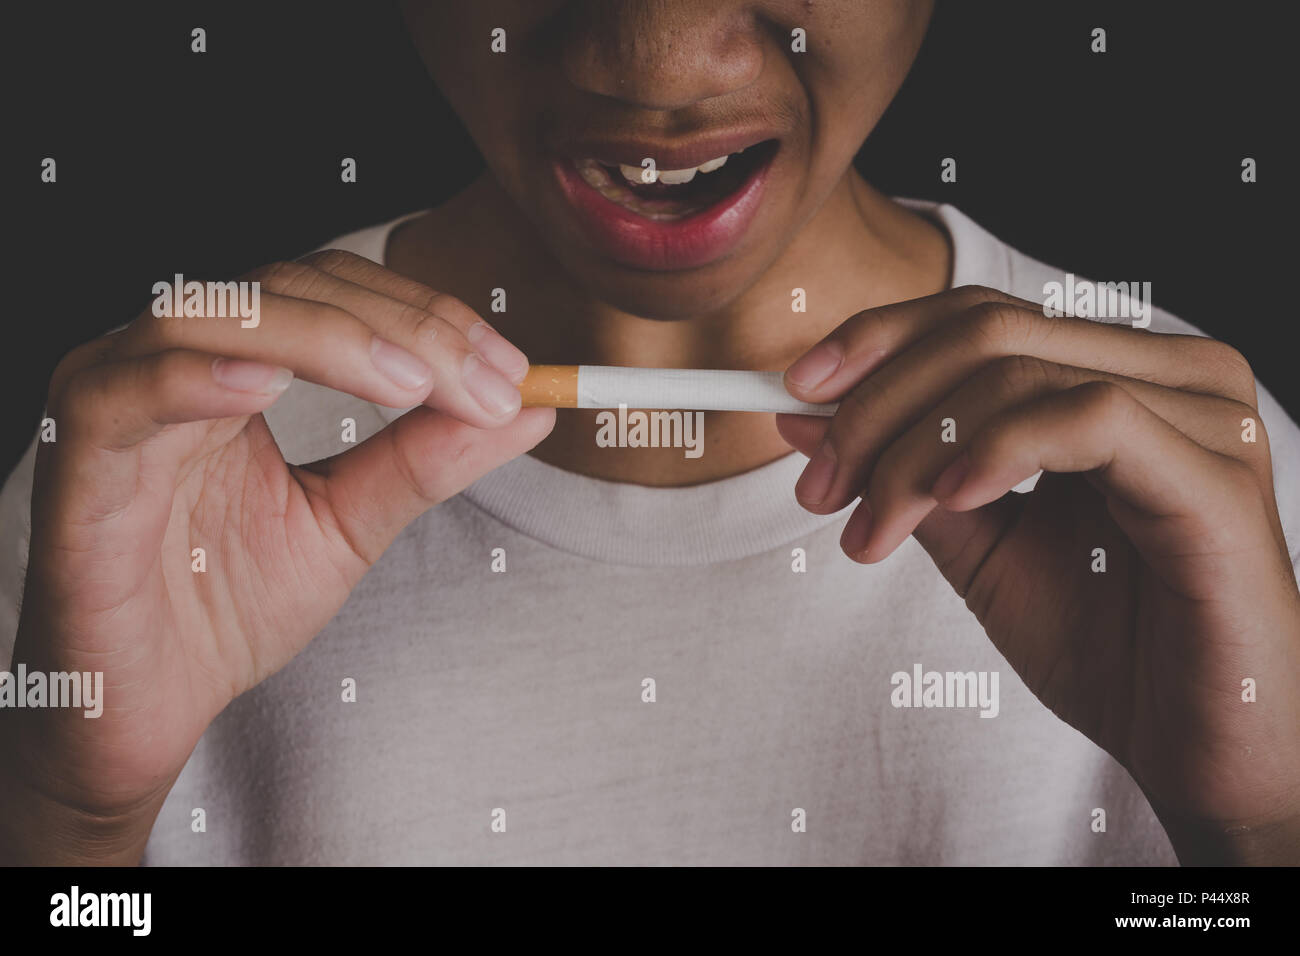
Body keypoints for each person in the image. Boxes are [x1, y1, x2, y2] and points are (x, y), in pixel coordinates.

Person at [2, 0, 1297, 866]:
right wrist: (70, 819)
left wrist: (1254, 844)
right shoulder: (143, 486)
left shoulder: (1205, 498)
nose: (662, 58)